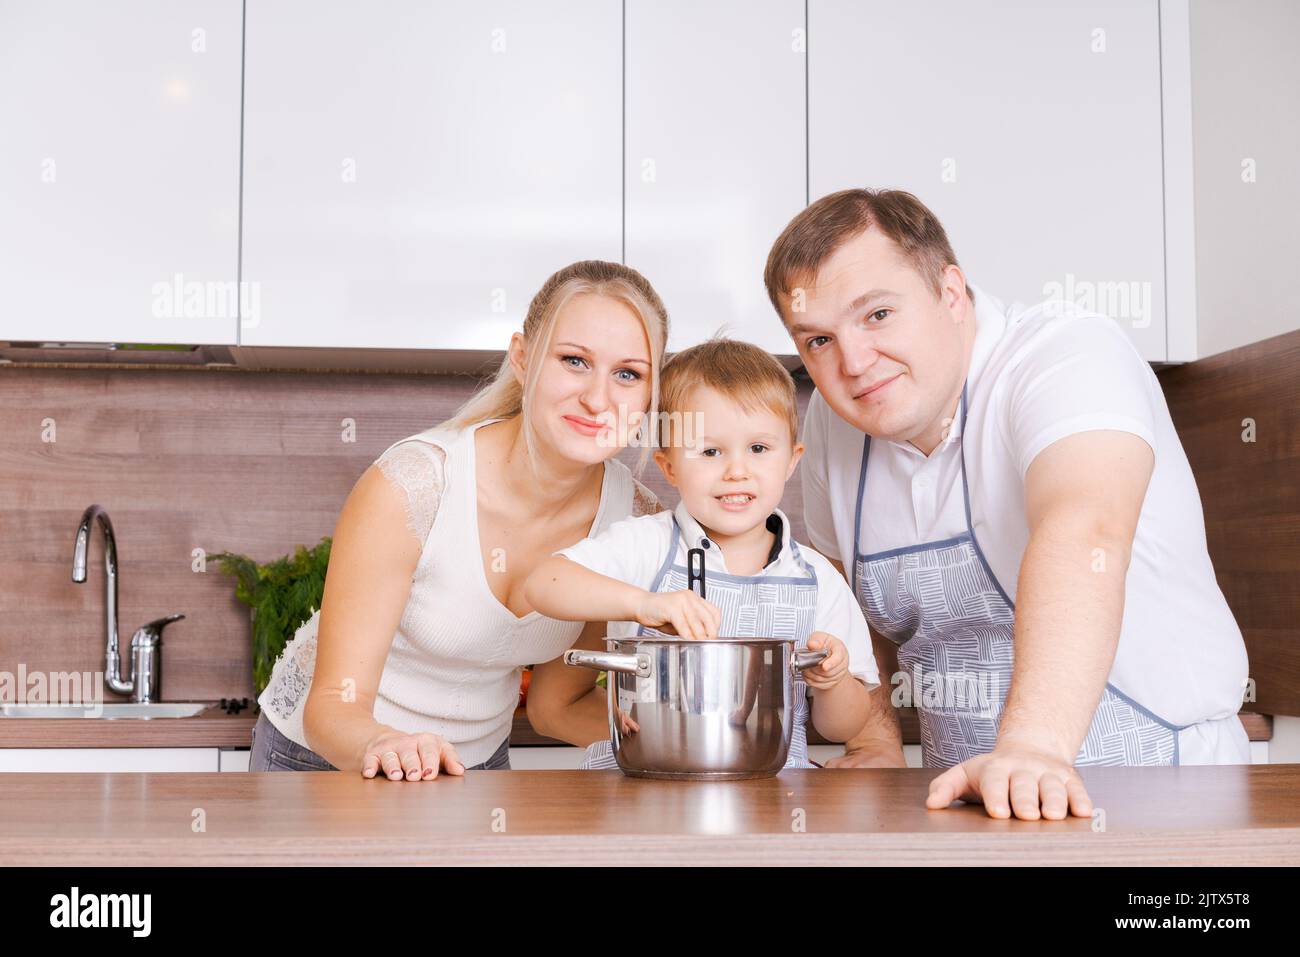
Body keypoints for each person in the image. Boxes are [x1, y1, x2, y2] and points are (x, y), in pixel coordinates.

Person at [763, 188, 1250, 820]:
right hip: (974, 813)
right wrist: (875, 732)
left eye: (878, 315)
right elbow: (849, 614)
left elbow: (1086, 533)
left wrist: (1033, 748)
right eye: (817, 340)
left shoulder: (1068, 354)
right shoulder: (836, 423)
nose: (852, 363)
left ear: (951, 292)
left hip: (1169, 802)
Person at [249, 260, 669, 779]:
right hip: (324, 756)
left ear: (651, 394)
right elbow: (333, 705)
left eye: (627, 374)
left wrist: (684, 740)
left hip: (475, 767)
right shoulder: (413, 487)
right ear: (523, 357)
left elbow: (554, 708)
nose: (598, 398)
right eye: (574, 361)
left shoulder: (635, 526)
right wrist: (386, 743)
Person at [523, 338, 878, 770]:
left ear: (791, 460)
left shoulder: (818, 580)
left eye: (759, 449)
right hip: (644, 790)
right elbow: (543, 583)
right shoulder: (646, 545)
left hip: (774, 799)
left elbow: (844, 727)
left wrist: (835, 682)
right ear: (668, 466)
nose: (736, 471)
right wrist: (644, 603)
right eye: (710, 451)